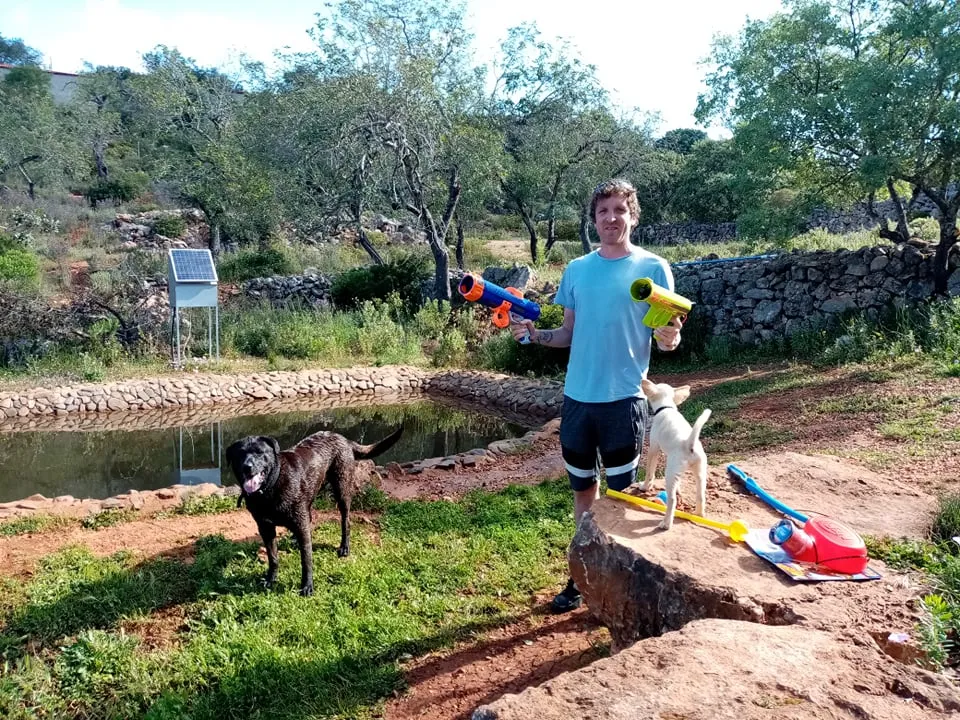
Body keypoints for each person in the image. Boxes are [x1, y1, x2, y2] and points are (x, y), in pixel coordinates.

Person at [511, 179, 682, 613]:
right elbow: (567, 333)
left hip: (624, 399)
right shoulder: (578, 270)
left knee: (621, 498)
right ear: (594, 219)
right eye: (603, 211)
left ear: (633, 215)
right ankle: (582, 577)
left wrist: (670, 337)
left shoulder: (655, 268)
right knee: (584, 494)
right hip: (578, 400)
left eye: (619, 210)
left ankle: (621, 586)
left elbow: (667, 340)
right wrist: (534, 335)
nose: (611, 218)